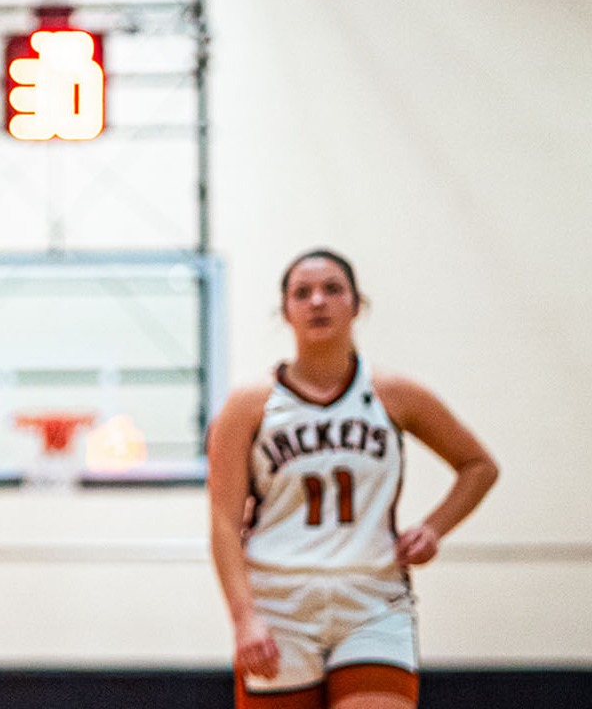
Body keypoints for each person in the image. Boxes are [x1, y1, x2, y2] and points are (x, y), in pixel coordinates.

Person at [207, 249, 498, 709]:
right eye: (302, 293)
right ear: (285, 311)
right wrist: (244, 618)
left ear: (357, 304)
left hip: (373, 598)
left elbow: (478, 466)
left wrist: (434, 528)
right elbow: (223, 523)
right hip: (279, 603)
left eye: (332, 289)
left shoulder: (394, 393)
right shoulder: (248, 404)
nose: (317, 301)